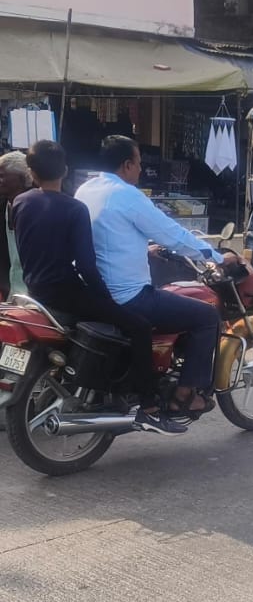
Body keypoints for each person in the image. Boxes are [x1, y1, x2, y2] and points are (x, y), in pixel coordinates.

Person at [11, 141, 185, 433]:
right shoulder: (74, 208)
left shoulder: (20, 202)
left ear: (32, 173)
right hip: (67, 293)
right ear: (65, 171)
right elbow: (88, 266)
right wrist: (106, 299)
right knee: (140, 327)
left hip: (34, 291)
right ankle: (149, 406)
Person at [75, 136, 238, 419]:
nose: (140, 169)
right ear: (127, 165)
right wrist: (218, 257)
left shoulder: (86, 189)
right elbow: (172, 234)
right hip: (128, 296)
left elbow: (107, 235)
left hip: (93, 292)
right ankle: (185, 396)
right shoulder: (127, 195)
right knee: (207, 318)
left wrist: (145, 248)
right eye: (138, 163)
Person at [0, 151, 32, 300]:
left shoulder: (35, 208)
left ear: (21, 178)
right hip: (9, 289)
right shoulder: (4, 205)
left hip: (32, 293)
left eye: (2, 176)